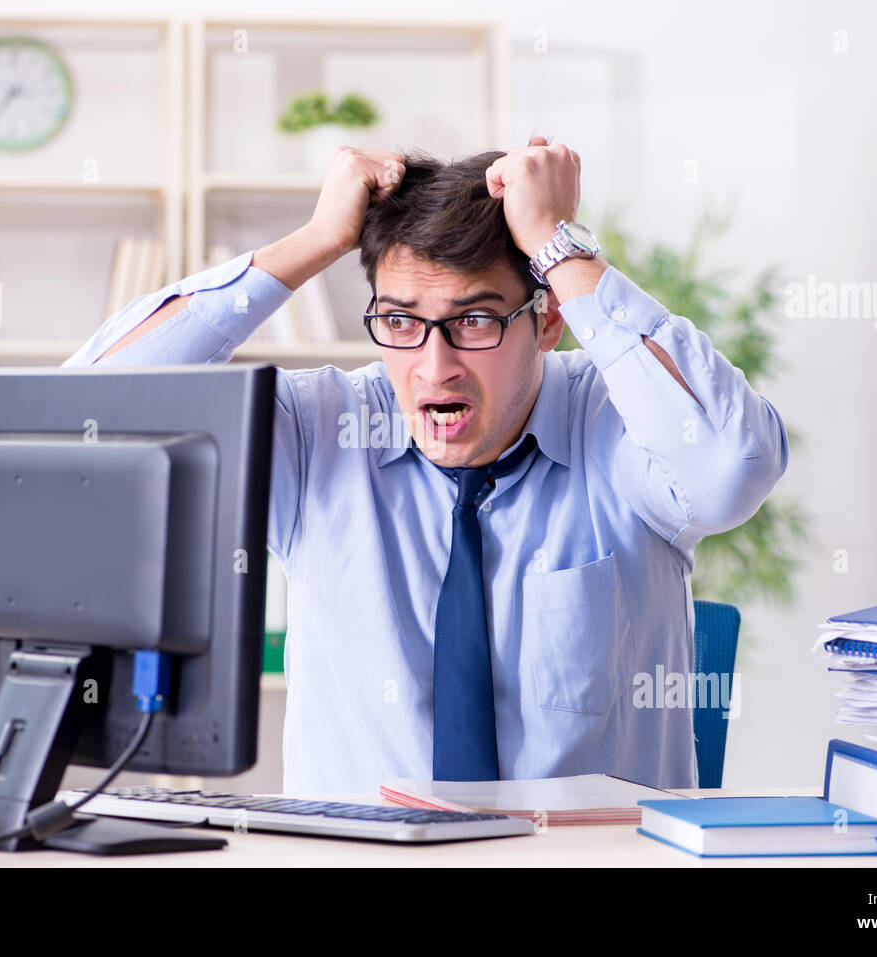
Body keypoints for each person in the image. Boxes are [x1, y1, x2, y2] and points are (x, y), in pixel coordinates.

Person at [63, 137, 789, 793]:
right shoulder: (319, 429)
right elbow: (81, 418)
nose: (432, 367)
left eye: (473, 320)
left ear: (546, 319)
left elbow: (730, 467)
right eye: (402, 322)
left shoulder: (619, 425)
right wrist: (316, 242)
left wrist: (557, 245)